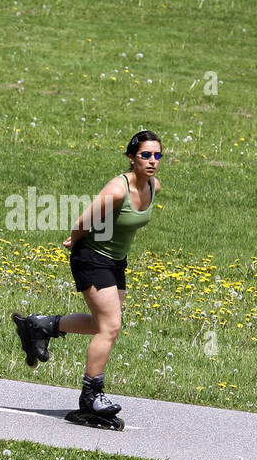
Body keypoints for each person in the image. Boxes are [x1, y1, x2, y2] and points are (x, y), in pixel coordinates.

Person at [13, 130, 163, 425]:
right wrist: (73, 240)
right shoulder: (118, 190)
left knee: (99, 323)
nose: (152, 161)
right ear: (132, 157)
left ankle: (41, 326)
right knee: (111, 326)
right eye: (146, 155)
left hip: (116, 261)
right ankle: (90, 396)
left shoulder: (154, 186)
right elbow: (83, 221)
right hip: (92, 258)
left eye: (157, 155)